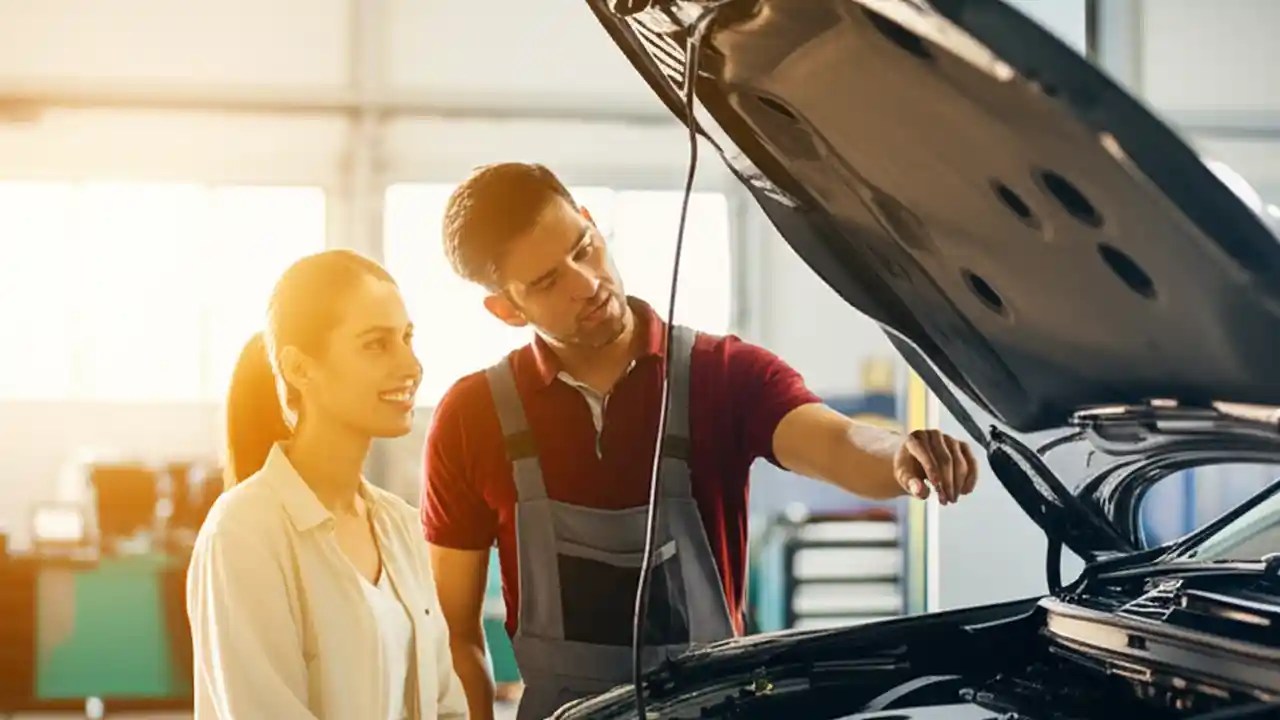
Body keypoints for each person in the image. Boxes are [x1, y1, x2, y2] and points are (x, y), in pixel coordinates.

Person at [422, 163, 979, 720]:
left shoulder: (723, 375)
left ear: (591, 222)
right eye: (547, 281)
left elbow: (838, 443)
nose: (587, 283)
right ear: (506, 309)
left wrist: (901, 454)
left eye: (584, 248)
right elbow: (456, 636)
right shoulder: (472, 419)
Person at [186, 249, 468, 719]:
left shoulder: (399, 525)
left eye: (407, 337)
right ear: (299, 368)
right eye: (377, 344)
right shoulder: (244, 531)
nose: (411, 365)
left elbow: (445, 706)